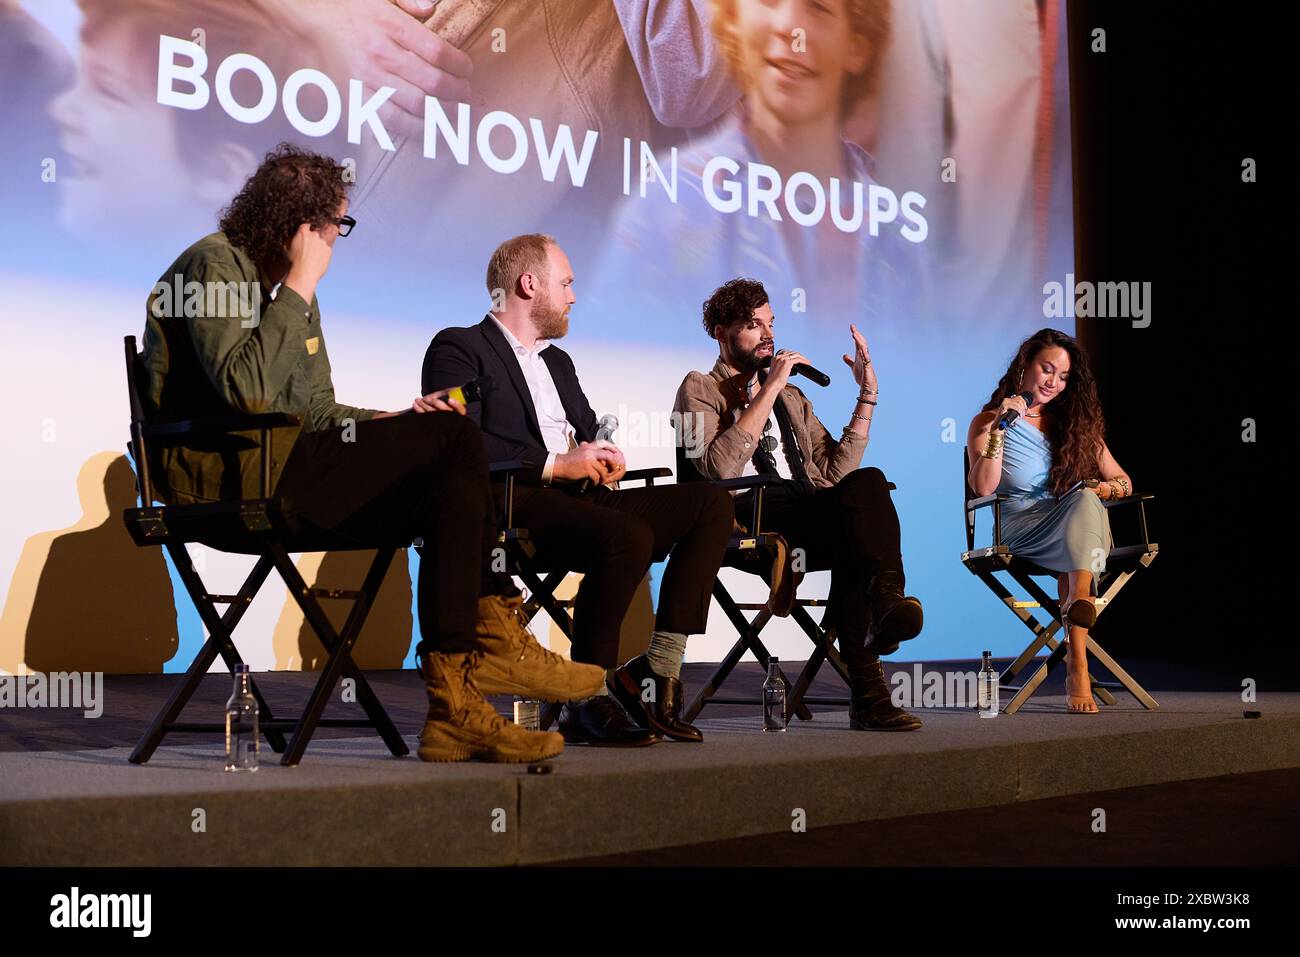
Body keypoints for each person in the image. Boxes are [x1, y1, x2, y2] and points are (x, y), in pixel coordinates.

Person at [139, 145, 604, 762]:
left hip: (287, 466)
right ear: (303, 225)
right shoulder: (213, 267)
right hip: (231, 483)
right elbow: (247, 395)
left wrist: (395, 421)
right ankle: (490, 636)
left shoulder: (289, 297)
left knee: (447, 451)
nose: (338, 239)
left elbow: (321, 412)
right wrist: (300, 285)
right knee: (454, 444)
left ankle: (455, 706)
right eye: (335, 225)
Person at [422, 234, 735, 746]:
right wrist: (555, 465)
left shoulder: (558, 362)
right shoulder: (460, 347)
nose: (572, 296)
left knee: (710, 503)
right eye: (565, 283)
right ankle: (587, 699)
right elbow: (458, 439)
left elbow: (588, 432)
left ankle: (656, 669)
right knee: (626, 534)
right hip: (514, 502)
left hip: (584, 502)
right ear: (529, 285)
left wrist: (601, 456)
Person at [674, 278, 923, 731]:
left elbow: (833, 475)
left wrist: (867, 395)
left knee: (867, 489)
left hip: (805, 511)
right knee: (855, 530)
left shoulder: (792, 397)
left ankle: (886, 604)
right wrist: (766, 390)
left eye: (770, 323)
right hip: (747, 519)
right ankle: (869, 689)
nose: (768, 334)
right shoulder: (700, 389)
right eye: (753, 325)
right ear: (721, 332)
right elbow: (716, 472)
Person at [965, 329, 1129, 714]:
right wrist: (1000, 429)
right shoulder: (988, 422)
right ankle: (1077, 626)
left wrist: (1106, 491)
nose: (1054, 382)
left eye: (1063, 376)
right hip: (1022, 529)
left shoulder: (1075, 425)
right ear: (1025, 366)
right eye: (1047, 369)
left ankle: (1077, 650)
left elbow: (1123, 480)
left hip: (1076, 523)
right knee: (1083, 512)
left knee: (1086, 499)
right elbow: (983, 486)